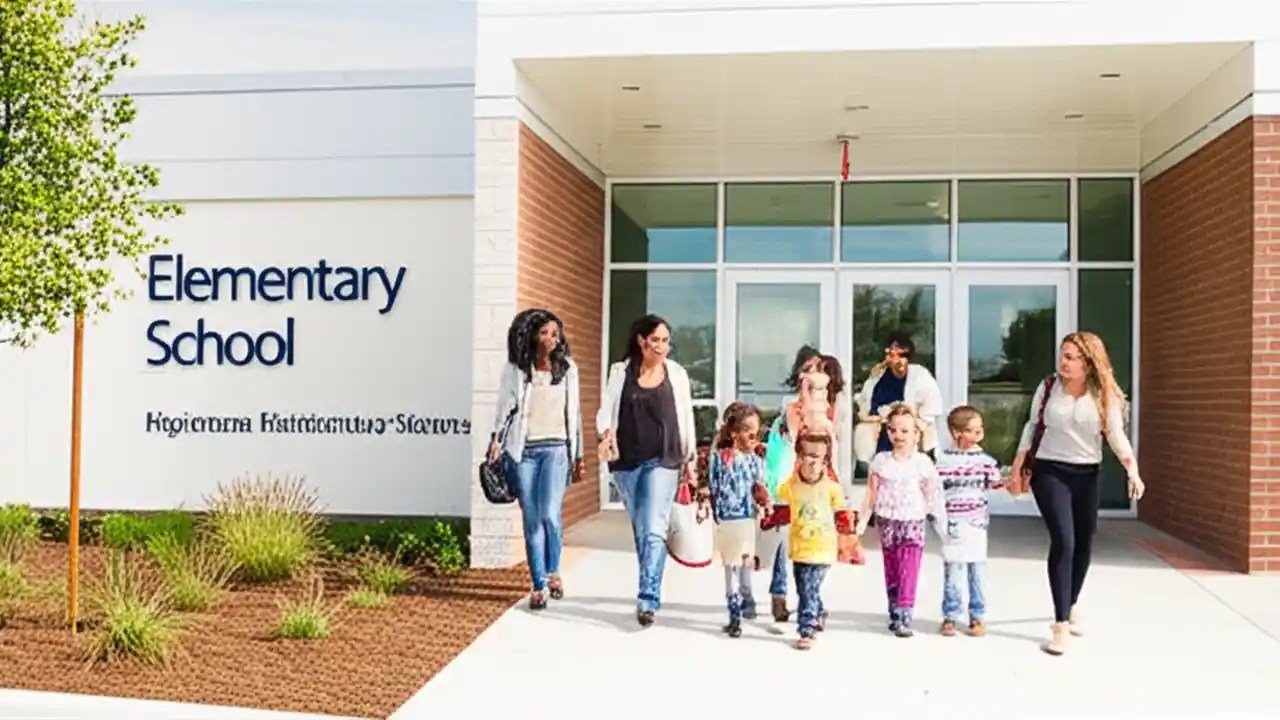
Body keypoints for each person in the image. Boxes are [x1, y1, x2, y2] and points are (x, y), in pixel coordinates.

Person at [1009, 331, 1144, 656]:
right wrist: (1017, 465)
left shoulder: (1102, 394)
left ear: (1088, 363)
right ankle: (1060, 625)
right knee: (1064, 541)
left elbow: (1114, 435)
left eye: (1071, 358)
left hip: (1086, 474)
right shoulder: (1048, 386)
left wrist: (1133, 470)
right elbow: (1031, 427)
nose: (1063, 362)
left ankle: (1070, 603)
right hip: (1049, 471)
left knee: (1084, 544)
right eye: (1062, 355)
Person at [597, 314, 697, 628]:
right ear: (642, 341)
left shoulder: (676, 374)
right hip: (626, 462)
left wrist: (690, 459)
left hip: (664, 460)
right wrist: (605, 434)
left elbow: (685, 418)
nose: (662, 346)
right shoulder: (620, 372)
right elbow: (606, 410)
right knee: (643, 530)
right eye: (656, 340)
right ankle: (648, 585)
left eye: (666, 340)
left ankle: (647, 599)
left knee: (654, 529)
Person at [488, 308, 584, 610]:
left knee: (549, 514)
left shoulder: (568, 369)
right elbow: (504, 407)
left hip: (556, 450)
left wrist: (577, 454)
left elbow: (575, 414)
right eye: (545, 333)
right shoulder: (516, 369)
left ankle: (554, 570)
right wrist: (496, 440)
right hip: (523, 451)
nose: (551, 339)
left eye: (555, 334)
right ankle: (538, 584)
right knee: (531, 519)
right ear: (532, 336)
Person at [858, 403, 945, 638]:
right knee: (892, 567)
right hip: (887, 521)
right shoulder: (881, 461)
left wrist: (940, 521)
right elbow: (870, 494)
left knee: (909, 566)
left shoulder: (923, 463)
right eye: (894, 431)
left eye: (905, 431)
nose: (899, 436)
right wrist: (860, 523)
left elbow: (933, 494)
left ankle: (905, 612)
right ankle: (894, 606)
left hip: (912, 521)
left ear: (916, 433)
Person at [935, 405, 1003, 637]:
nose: (979, 435)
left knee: (977, 570)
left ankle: (977, 615)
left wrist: (1015, 479)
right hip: (953, 523)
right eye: (973, 431)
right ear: (957, 433)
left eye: (980, 430)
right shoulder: (942, 462)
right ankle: (950, 614)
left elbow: (995, 484)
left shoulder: (986, 461)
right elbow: (936, 492)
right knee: (953, 568)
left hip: (976, 523)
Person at [775, 432, 848, 651]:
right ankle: (818, 610)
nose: (812, 461)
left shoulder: (831, 487)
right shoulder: (791, 486)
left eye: (817, 456)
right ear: (798, 457)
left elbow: (841, 510)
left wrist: (846, 525)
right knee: (804, 588)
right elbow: (779, 501)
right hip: (800, 548)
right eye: (807, 455)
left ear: (826, 460)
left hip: (823, 548)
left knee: (809, 586)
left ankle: (806, 628)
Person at [705, 402, 770, 638]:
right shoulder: (718, 459)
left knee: (744, 560)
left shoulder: (755, 460)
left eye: (757, 429)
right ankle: (734, 610)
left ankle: (746, 596)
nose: (754, 435)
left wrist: (765, 502)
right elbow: (712, 486)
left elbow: (760, 487)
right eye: (747, 429)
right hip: (727, 519)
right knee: (730, 564)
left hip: (747, 517)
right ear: (734, 433)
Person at [855, 332, 944, 460]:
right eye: (892, 354)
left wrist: (913, 421)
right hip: (881, 435)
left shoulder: (920, 376)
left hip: (909, 435)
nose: (897, 359)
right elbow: (865, 404)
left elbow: (931, 408)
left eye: (902, 355)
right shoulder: (878, 376)